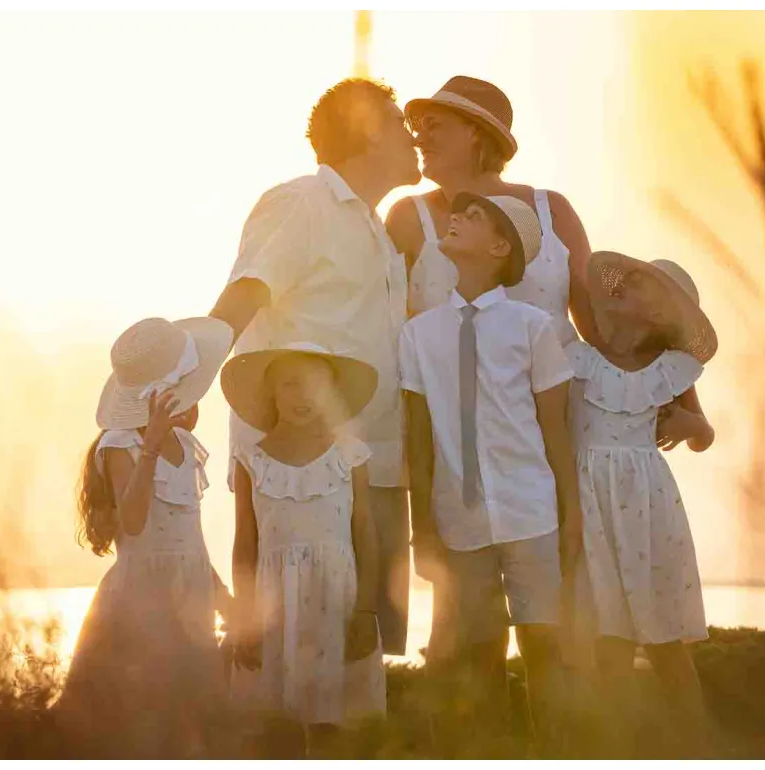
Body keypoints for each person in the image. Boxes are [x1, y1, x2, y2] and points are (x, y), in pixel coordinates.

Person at [386, 75, 598, 665]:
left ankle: (574, 743)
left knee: (560, 622)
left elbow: (593, 313)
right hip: (461, 448)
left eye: (436, 124)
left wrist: (672, 393)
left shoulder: (551, 210)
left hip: (562, 426)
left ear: (480, 136)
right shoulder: (409, 218)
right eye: (415, 125)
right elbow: (395, 333)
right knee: (466, 626)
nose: (418, 135)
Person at [210, 78, 421, 658]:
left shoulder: (376, 229)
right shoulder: (304, 201)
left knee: (362, 649)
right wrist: (187, 382)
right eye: (400, 123)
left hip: (370, 460)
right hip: (300, 469)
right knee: (289, 653)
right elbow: (246, 290)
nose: (413, 138)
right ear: (369, 132)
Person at [398, 192, 582, 744]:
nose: (455, 218)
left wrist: (571, 519)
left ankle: (555, 752)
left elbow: (556, 433)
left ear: (501, 247)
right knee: (478, 655)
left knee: (546, 650)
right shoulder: (418, 334)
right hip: (461, 523)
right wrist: (422, 530)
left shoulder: (531, 327)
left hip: (533, 514)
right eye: (457, 213)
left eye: (472, 217)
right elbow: (420, 441)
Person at [58, 316, 234, 758]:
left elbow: (186, 533)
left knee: (191, 721)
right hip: (143, 596)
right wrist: (151, 446)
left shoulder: (187, 444)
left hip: (190, 591)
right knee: (142, 720)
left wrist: (218, 589)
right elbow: (133, 521)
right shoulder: (121, 445)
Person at [566, 251, 717, 757]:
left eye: (643, 282)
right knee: (606, 639)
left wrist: (688, 426)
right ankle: (614, 749)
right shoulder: (580, 357)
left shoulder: (673, 371)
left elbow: (704, 434)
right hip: (591, 500)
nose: (627, 282)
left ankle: (697, 748)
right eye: (627, 277)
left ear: (660, 315)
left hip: (647, 504)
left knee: (665, 641)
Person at [223, 343, 385, 756]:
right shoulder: (250, 461)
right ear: (271, 393)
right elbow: (245, 542)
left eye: (314, 384)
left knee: (333, 724)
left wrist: (366, 609)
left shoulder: (350, 455)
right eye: (290, 384)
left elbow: (364, 533)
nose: (303, 396)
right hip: (275, 605)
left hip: (337, 603)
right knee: (278, 727)